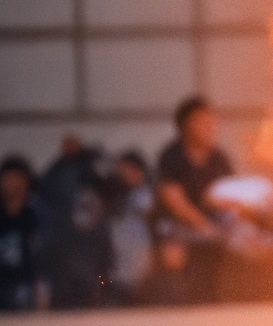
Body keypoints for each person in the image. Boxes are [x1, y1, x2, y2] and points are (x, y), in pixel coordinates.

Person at [152, 96, 234, 304]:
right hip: (179, 226)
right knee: (172, 254)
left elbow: (229, 197)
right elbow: (175, 203)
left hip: (215, 224)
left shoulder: (219, 158)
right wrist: (206, 226)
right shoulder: (171, 157)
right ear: (185, 126)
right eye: (201, 121)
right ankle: (176, 311)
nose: (209, 127)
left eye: (211, 121)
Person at [35, 134, 113, 309]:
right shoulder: (59, 229)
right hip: (63, 294)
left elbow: (106, 267)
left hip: (93, 298)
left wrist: (102, 287)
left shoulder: (102, 232)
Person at [105, 149, 155, 304]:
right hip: (117, 272)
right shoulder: (119, 197)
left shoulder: (145, 195)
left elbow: (147, 210)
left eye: (126, 170)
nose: (122, 175)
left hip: (140, 273)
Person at [0, 156, 46, 312]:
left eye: (17, 178)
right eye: (7, 178)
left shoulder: (35, 218)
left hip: (27, 290)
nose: (11, 184)